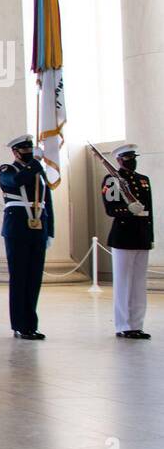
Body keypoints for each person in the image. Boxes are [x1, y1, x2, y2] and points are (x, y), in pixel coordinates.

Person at [0, 134, 53, 340]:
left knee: (34, 278)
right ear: (15, 152)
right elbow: (15, 182)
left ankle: (31, 324)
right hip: (17, 227)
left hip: (39, 225)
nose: (29, 153)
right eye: (24, 150)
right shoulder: (7, 170)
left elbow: (48, 202)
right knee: (20, 277)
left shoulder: (39, 174)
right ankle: (19, 325)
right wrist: (35, 164)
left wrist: (51, 231)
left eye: (31, 150)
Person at [101, 143, 153, 339]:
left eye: (134, 157)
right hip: (123, 235)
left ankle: (137, 324)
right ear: (119, 160)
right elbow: (110, 208)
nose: (133, 161)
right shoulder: (112, 179)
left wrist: (150, 236)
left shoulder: (143, 180)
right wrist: (128, 210)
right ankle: (123, 325)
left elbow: (149, 213)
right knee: (123, 283)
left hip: (141, 235)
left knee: (139, 282)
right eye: (128, 158)